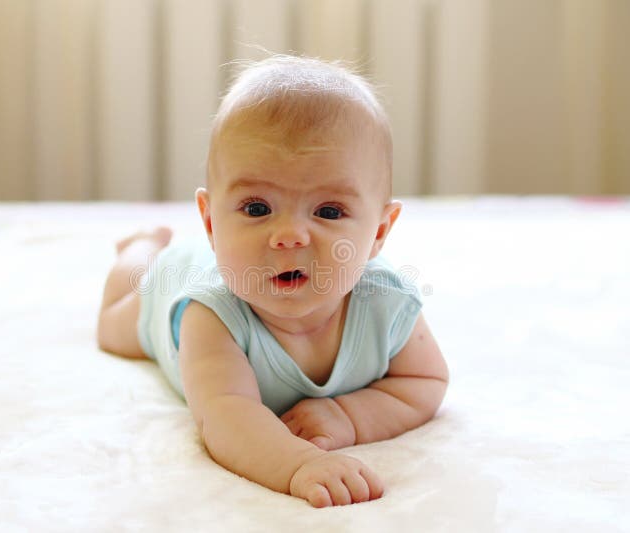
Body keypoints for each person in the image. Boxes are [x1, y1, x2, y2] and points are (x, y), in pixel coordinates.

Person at [97, 55, 449, 508]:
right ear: (209, 220)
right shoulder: (210, 316)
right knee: (113, 323)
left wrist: (348, 415)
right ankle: (141, 245)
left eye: (328, 211)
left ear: (379, 231)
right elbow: (226, 415)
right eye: (257, 208)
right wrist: (299, 463)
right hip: (170, 280)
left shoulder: (387, 304)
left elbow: (424, 382)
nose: (288, 236)